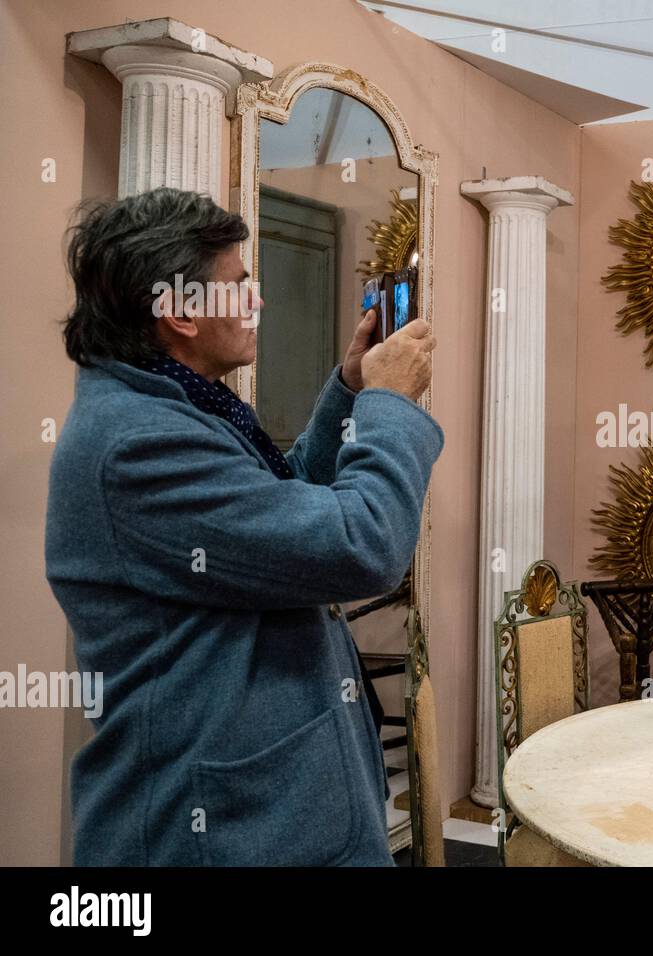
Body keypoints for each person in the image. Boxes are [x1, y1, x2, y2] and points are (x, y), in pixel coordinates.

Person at [45, 187, 442, 865]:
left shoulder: (180, 406)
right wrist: (387, 405)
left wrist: (348, 388)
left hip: (261, 820)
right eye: (238, 285)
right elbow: (362, 543)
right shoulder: (139, 444)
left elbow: (278, 509)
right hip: (218, 834)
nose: (257, 301)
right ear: (179, 312)